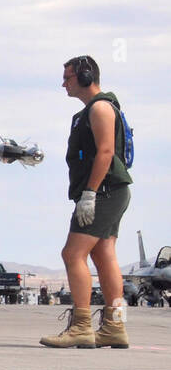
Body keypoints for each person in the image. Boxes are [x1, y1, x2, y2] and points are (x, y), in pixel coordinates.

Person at [41, 56, 132, 348]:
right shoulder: (93, 110)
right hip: (110, 190)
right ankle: (114, 327)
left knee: (72, 254)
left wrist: (90, 193)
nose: (63, 83)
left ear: (85, 75)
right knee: (104, 255)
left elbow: (105, 153)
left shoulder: (101, 108)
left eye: (68, 77)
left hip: (103, 191)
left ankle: (81, 326)